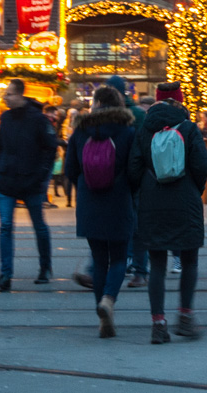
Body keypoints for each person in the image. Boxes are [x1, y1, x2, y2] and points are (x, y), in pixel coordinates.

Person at [128, 83, 207, 344]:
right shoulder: (188, 128)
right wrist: (193, 189)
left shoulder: (145, 129)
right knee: (189, 261)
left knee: (158, 265)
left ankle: (158, 324)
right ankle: (185, 318)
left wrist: (144, 191)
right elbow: (202, 165)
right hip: (185, 200)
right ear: (180, 101)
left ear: (157, 102)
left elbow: (133, 168)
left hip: (152, 202)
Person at [63, 86, 137, 337]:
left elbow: (70, 168)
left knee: (99, 259)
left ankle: (100, 312)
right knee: (119, 258)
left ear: (95, 104)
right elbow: (135, 169)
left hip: (89, 202)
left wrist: (84, 186)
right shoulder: (127, 131)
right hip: (119, 201)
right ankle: (108, 300)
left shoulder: (80, 131)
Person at [0, 79, 58, 290]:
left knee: (39, 226)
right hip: (7, 182)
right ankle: (5, 274)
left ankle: (45, 267)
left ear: (19, 95)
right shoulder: (6, 118)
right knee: (6, 227)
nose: (5, 97)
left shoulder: (37, 119)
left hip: (31, 182)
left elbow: (50, 148)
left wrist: (40, 176)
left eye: (8, 94)